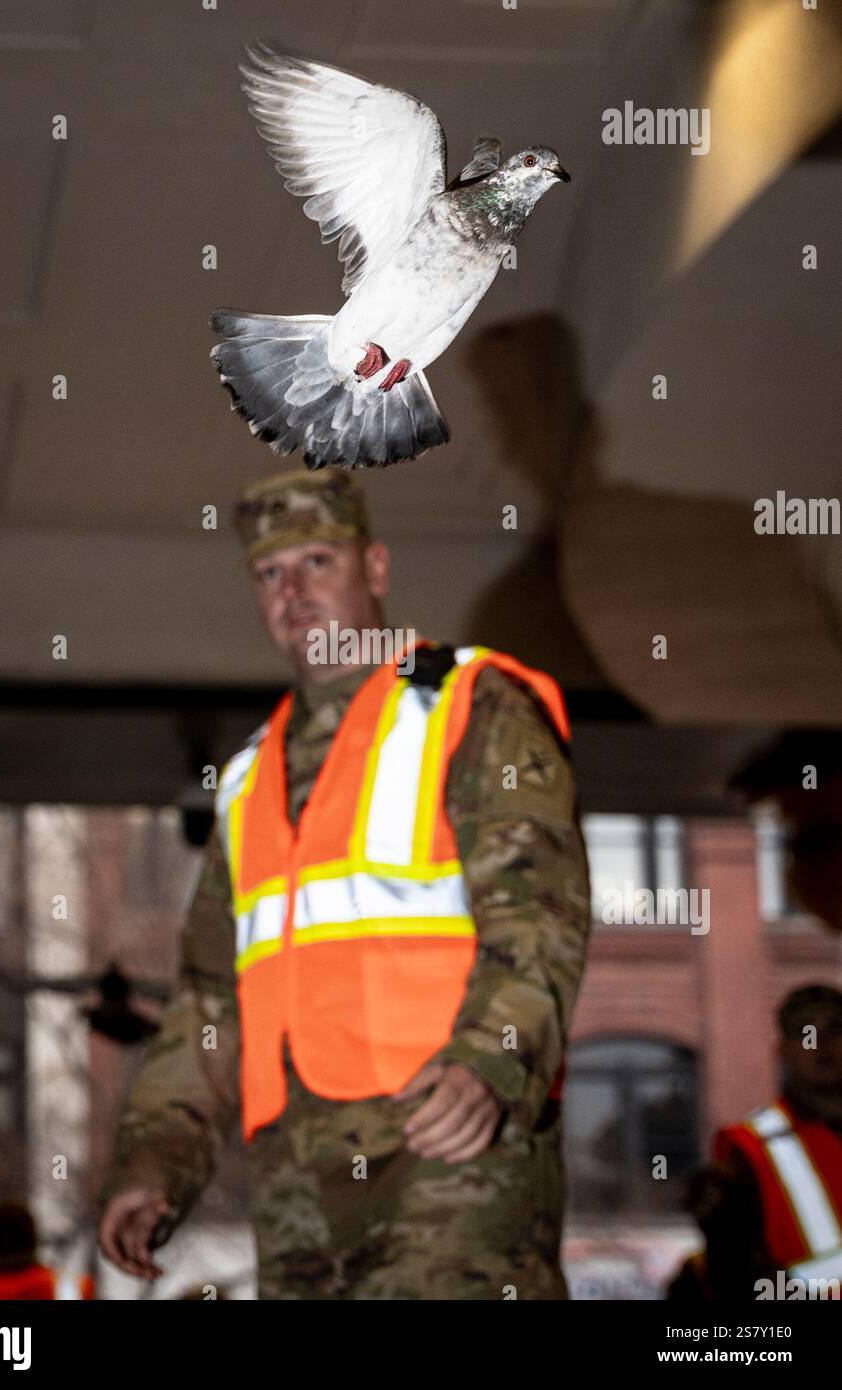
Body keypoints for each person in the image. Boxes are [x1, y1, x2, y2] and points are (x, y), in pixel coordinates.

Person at [98, 468, 592, 1299]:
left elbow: (540, 916)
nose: (293, 590)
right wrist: (156, 1159)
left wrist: (490, 1065)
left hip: (446, 1160)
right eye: (269, 573)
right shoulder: (250, 776)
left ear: (377, 570)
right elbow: (210, 1001)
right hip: (296, 1197)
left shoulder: (471, 705)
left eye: (318, 561)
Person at [667, 984, 842, 1301]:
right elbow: (736, 1277)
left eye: (834, 1028)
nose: (820, 1043)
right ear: (783, 1051)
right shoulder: (751, 1149)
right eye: (805, 1032)